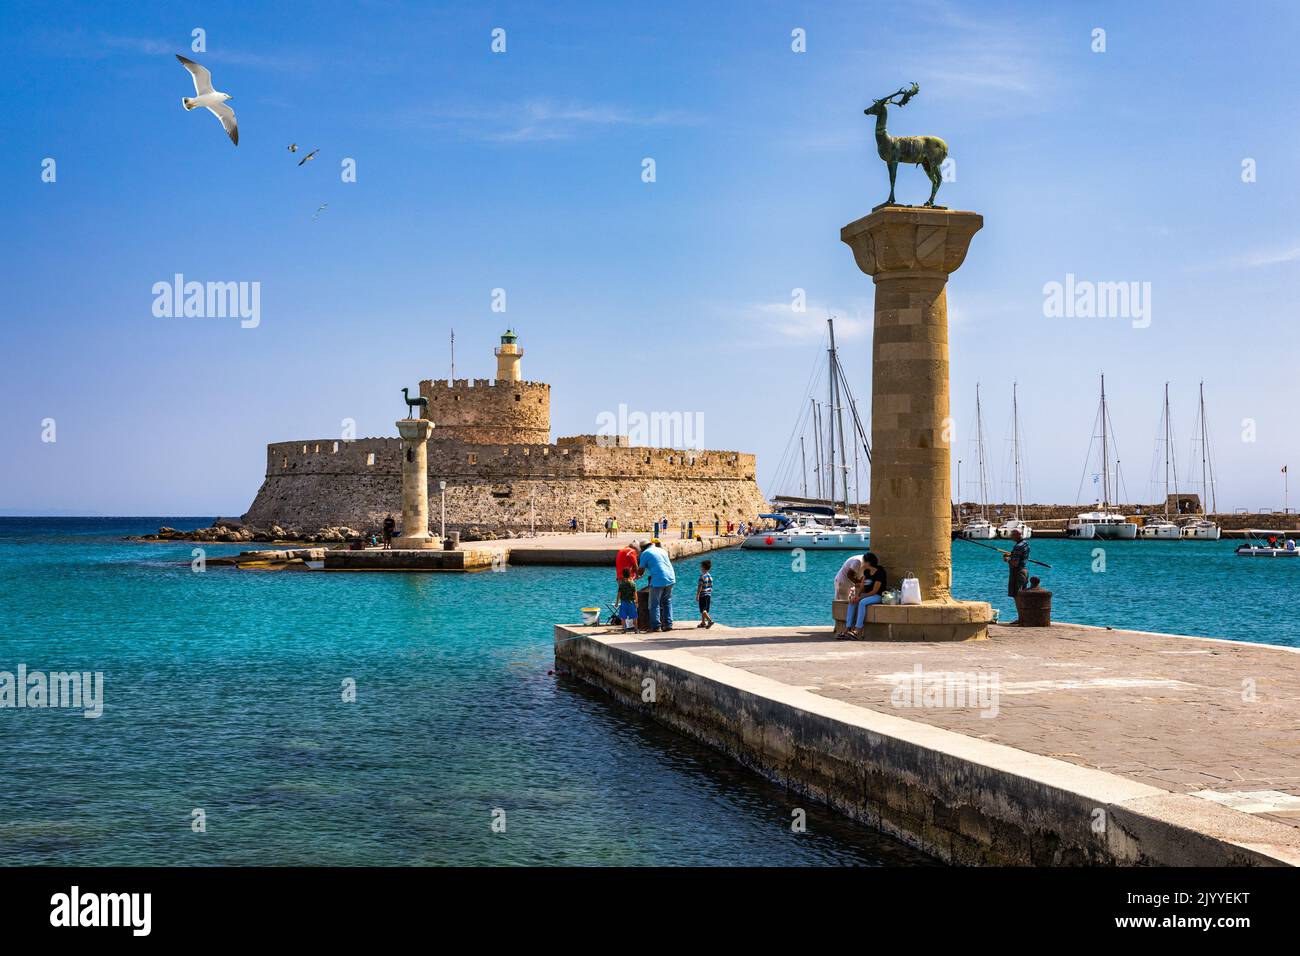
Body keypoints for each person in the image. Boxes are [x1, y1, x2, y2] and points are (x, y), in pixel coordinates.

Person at [840, 553, 886, 640]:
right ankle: (847, 628)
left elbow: (875, 591)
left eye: (864, 561)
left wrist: (861, 597)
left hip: (878, 595)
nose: (862, 563)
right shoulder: (866, 572)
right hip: (866, 595)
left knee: (862, 602)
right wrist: (857, 595)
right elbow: (862, 586)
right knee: (852, 601)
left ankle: (857, 630)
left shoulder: (880, 572)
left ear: (868, 563)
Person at [637, 538, 676, 632]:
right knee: (667, 602)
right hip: (671, 577)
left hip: (658, 580)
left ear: (642, 548)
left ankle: (656, 627)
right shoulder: (661, 550)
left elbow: (641, 571)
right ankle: (668, 625)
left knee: (654, 604)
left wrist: (635, 572)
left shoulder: (645, 553)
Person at [1004, 529, 1030, 624]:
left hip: (1017, 572)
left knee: (1017, 595)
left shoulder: (1018, 547)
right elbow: (1021, 556)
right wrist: (1012, 554)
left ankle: (1021, 618)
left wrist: (1007, 559)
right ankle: (1024, 617)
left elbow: (1015, 563)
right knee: (1022, 595)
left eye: (1012, 534)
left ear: (1017, 535)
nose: (1010, 536)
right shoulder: (1025, 544)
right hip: (1024, 571)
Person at [616, 568, 639, 633]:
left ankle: (624, 629)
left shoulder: (621, 584)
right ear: (630, 575)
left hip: (624, 602)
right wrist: (637, 602)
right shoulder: (633, 584)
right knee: (634, 616)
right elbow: (635, 594)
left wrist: (617, 602)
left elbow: (619, 594)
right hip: (631, 602)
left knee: (623, 617)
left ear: (623, 575)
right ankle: (636, 629)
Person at [696, 559, 714, 628]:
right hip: (708, 595)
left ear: (703, 567)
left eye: (701, 566)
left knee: (702, 610)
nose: (700, 568)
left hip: (702, 595)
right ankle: (703, 622)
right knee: (705, 609)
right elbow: (711, 587)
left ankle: (710, 621)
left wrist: (697, 595)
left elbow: (700, 586)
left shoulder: (702, 577)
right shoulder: (710, 576)